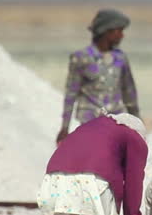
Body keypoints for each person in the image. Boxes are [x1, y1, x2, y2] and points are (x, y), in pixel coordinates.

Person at [56, 8, 141, 145]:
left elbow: (129, 93)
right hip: (90, 124)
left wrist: (138, 125)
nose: (122, 35)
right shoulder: (81, 58)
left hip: (116, 123)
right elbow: (71, 95)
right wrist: (64, 127)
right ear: (106, 31)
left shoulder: (120, 59)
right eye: (118, 31)